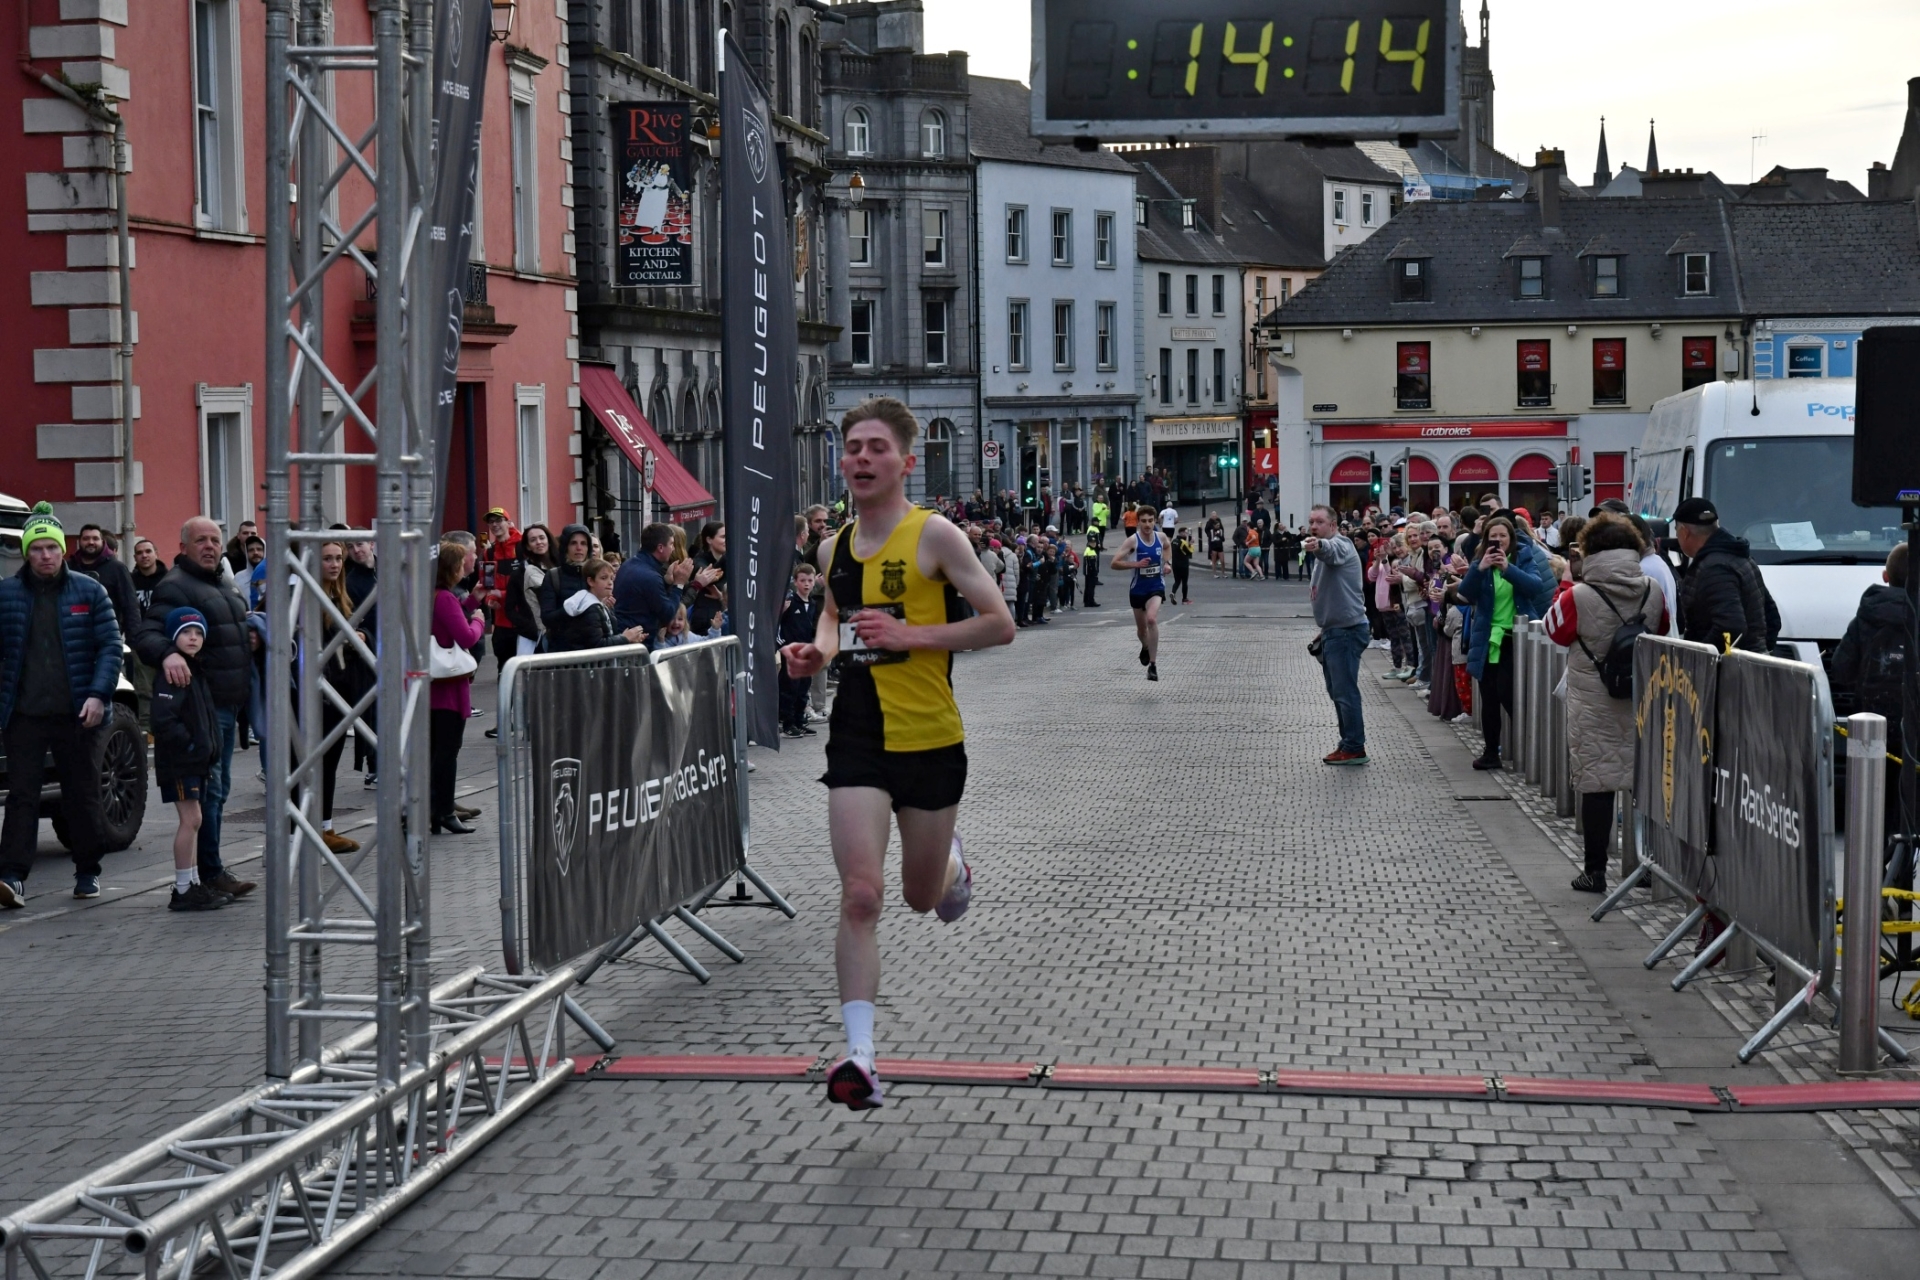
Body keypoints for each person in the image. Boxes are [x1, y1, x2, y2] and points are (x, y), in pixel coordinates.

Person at [777, 397, 1016, 1111]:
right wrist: (811, 655)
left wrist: (912, 637)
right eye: (852, 447)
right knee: (860, 894)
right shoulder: (832, 548)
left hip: (931, 736)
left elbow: (999, 625)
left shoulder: (935, 536)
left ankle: (949, 867)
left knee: (919, 897)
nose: (861, 458)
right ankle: (859, 1058)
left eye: (876, 447)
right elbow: (831, 620)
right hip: (857, 734)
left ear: (905, 462)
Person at [0, 504, 122, 907]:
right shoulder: (7, 595)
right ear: (26, 553)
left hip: (77, 713)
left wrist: (98, 695)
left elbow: (109, 648)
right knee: (22, 796)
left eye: (52, 547)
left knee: (82, 792)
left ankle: (87, 871)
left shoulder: (90, 590)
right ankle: (12, 877)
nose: (45, 555)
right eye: (37, 549)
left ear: (62, 549)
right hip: (24, 715)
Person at [134, 516, 258, 900]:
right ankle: (208, 873)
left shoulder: (222, 581)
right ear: (184, 546)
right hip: (202, 705)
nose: (209, 546)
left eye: (215, 540)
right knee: (210, 790)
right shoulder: (175, 586)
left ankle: (212, 868)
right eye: (200, 540)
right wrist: (170, 653)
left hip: (229, 702)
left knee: (218, 791)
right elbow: (147, 634)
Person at [1544, 514, 1666, 892]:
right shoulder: (1653, 590)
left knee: (1596, 783)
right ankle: (1647, 866)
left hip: (1593, 699)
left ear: (1589, 551)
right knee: (1644, 783)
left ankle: (1595, 871)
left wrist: (1571, 579)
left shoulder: (1578, 595)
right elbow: (1662, 631)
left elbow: (1554, 630)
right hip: (1642, 697)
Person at [147, 607, 231, 911]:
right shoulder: (174, 674)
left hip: (196, 761)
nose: (193, 638)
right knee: (191, 819)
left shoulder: (196, 670)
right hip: (181, 761)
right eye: (185, 633)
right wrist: (193, 746)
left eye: (197, 633)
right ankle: (183, 888)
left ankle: (193, 882)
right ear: (173, 637)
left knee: (194, 820)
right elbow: (163, 719)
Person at [1458, 515, 1548, 771]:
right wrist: (1480, 567)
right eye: (1493, 537)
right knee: (1489, 698)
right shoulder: (1480, 561)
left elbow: (1535, 587)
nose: (1498, 542)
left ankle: (1533, 750)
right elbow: (1465, 593)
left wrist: (1508, 569)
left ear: (1511, 538)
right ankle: (1490, 752)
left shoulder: (1523, 556)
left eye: (1502, 537)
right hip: (1488, 638)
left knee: (1510, 695)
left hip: (1515, 637)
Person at [315, 542, 373, 853]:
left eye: (338, 558)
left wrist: (362, 636)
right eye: (327, 559)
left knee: (330, 762)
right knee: (311, 763)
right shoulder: (306, 596)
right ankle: (305, 831)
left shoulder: (341, 594)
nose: (335, 564)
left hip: (341, 690)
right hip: (315, 692)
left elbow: (360, 629)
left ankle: (325, 827)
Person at [1672, 497, 1780, 654]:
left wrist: (1702, 657)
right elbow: (1772, 617)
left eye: (1676, 531)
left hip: (1730, 672)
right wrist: (1761, 653)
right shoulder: (1741, 557)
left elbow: (1731, 627)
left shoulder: (1715, 568)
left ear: (1684, 532)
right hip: (1752, 665)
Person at [1304, 504, 1368, 765]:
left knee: (1345, 691)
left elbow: (1331, 552)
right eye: (1311, 522)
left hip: (1346, 631)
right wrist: (1325, 627)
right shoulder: (1326, 550)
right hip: (1335, 630)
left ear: (1332, 525)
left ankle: (1354, 746)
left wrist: (1318, 546)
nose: (1314, 526)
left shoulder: (1340, 544)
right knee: (1337, 690)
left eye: (1319, 522)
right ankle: (1348, 742)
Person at [430, 540, 486, 834]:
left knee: (434, 750)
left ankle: (434, 808)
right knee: (447, 751)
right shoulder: (444, 597)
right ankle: (444, 810)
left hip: (432, 685)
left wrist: (471, 603)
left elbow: (444, 623)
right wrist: (477, 621)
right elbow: (464, 636)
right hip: (448, 686)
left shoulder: (431, 595)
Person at [1112, 503, 1169, 681]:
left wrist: (1168, 563)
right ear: (1138, 522)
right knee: (1142, 630)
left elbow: (1167, 547)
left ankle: (1153, 665)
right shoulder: (1132, 541)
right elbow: (1114, 563)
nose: (1147, 525)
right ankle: (1145, 646)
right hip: (1138, 588)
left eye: (1150, 521)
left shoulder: (1161, 537)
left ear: (1155, 521)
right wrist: (1135, 564)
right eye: (1143, 521)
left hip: (1156, 586)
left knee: (1152, 619)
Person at [67, 522, 138, 647]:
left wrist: (133, 642)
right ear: (79, 542)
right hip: (73, 639)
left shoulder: (117, 568)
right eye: (86, 538)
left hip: (107, 638)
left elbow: (130, 606)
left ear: (102, 541)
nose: (91, 542)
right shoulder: (68, 568)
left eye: (95, 538)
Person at [557, 557, 647, 650]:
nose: (610, 583)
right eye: (604, 578)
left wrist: (629, 639)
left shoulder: (602, 605)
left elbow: (608, 636)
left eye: (612, 578)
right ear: (591, 581)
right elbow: (597, 644)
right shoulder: (590, 607)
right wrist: (625, 638)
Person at [479, 507, 523, 676]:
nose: (495, 525)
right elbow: (487, 583)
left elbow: (529, 584)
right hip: (502, 622)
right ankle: (506, 703)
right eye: (491, 522)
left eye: (498, 520)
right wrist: (490, 598)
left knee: (527, 671)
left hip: (524, 620)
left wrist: (502, 594)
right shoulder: (489, 552)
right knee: (504, 671)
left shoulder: (522, 546)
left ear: (508, 522)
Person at [778, 562, 820, 737]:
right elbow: (778, 623)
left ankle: (799, 720)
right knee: (790, 688)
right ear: (795, 582)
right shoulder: (789, 603)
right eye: (803, 580)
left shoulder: (812, 604)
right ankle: (787, 723)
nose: (807, 584)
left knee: (804, 687)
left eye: (810, 580)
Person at [503, 523, 555, 656]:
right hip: (533, 639)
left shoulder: (560, 566)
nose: (539, 542)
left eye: (542, 538)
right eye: (533, 540)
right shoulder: (519, 574)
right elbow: (509, 609)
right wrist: (530, 628)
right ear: (527, 546)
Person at [687, 521, 728, 636]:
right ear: (709, 540)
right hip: (704, 623)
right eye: (723, 537)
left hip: (722, 618)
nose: (727, 540)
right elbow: (711, 576)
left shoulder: (726, 560)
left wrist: (720, 596)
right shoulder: (699, 561)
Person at [1170, 526, 1194, 604]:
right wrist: (1191, 544)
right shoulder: (1183, 542)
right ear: (1181, 533)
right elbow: (1189, 552)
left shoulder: (1173, 541)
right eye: (1185, 532)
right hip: (1183, 564)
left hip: (1175, 564)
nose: (1186, 534)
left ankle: (1173, 593)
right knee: (1184, 582)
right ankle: (1184, 599)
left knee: (1177, 581)